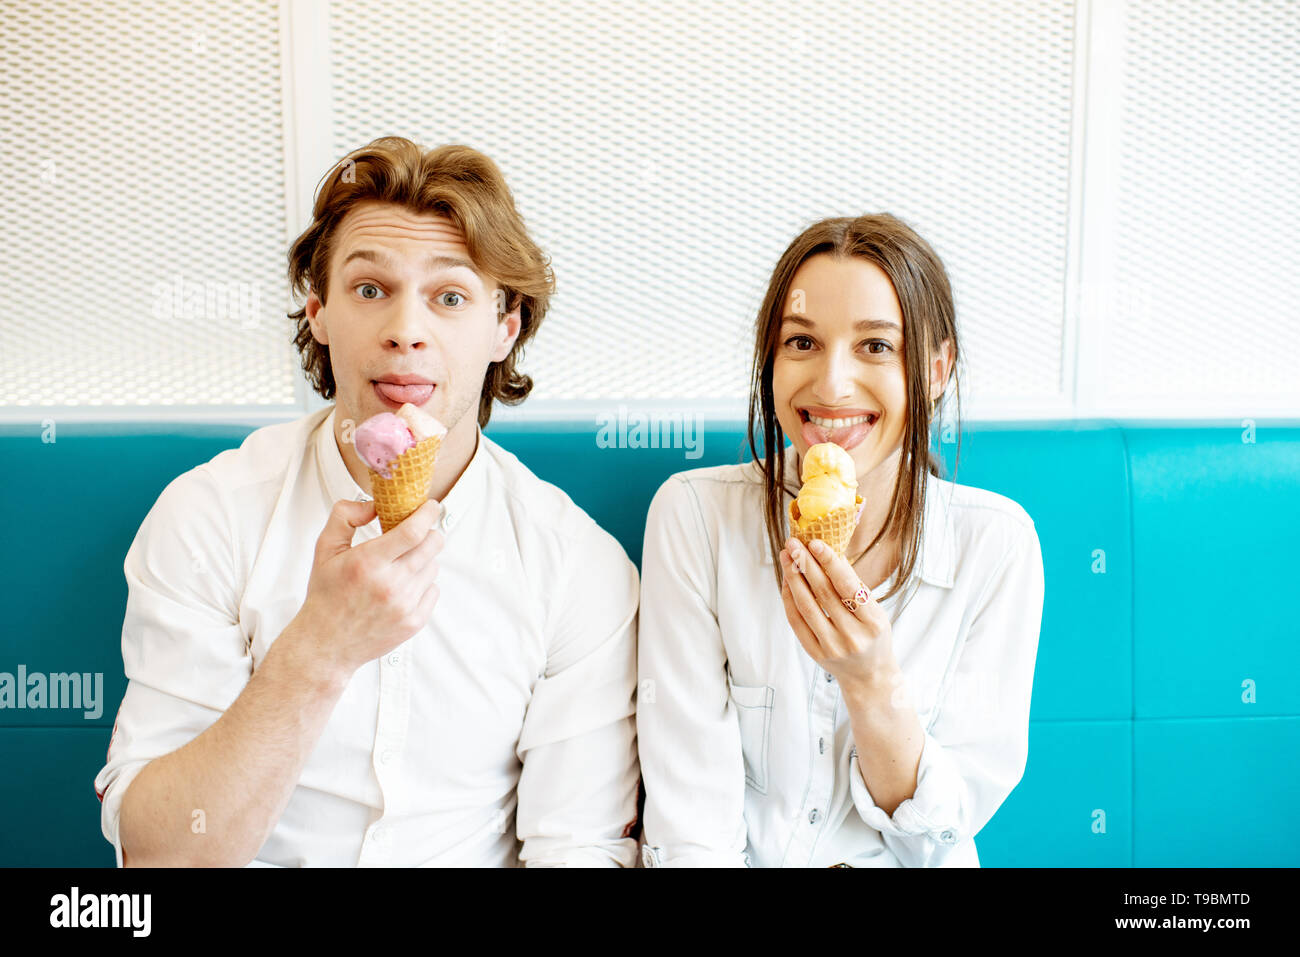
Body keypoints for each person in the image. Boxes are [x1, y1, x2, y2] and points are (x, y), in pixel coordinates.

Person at [94, 136, 641, 867]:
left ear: (503, 327)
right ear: (318, 311)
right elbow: (161, 855)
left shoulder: (579, 568)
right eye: (370, 289)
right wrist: (320, 648)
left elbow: (578, 849)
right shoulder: (208, 517)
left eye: (450, 296)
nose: (406, 331)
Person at [637, 214, 1045, 867]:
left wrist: (871, 681)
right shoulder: (694, 516)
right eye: (801, 341)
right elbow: (691, 830)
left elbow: (939, 841)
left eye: (876, 346)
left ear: (937, 369)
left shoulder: (996, 545)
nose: (830, 385)